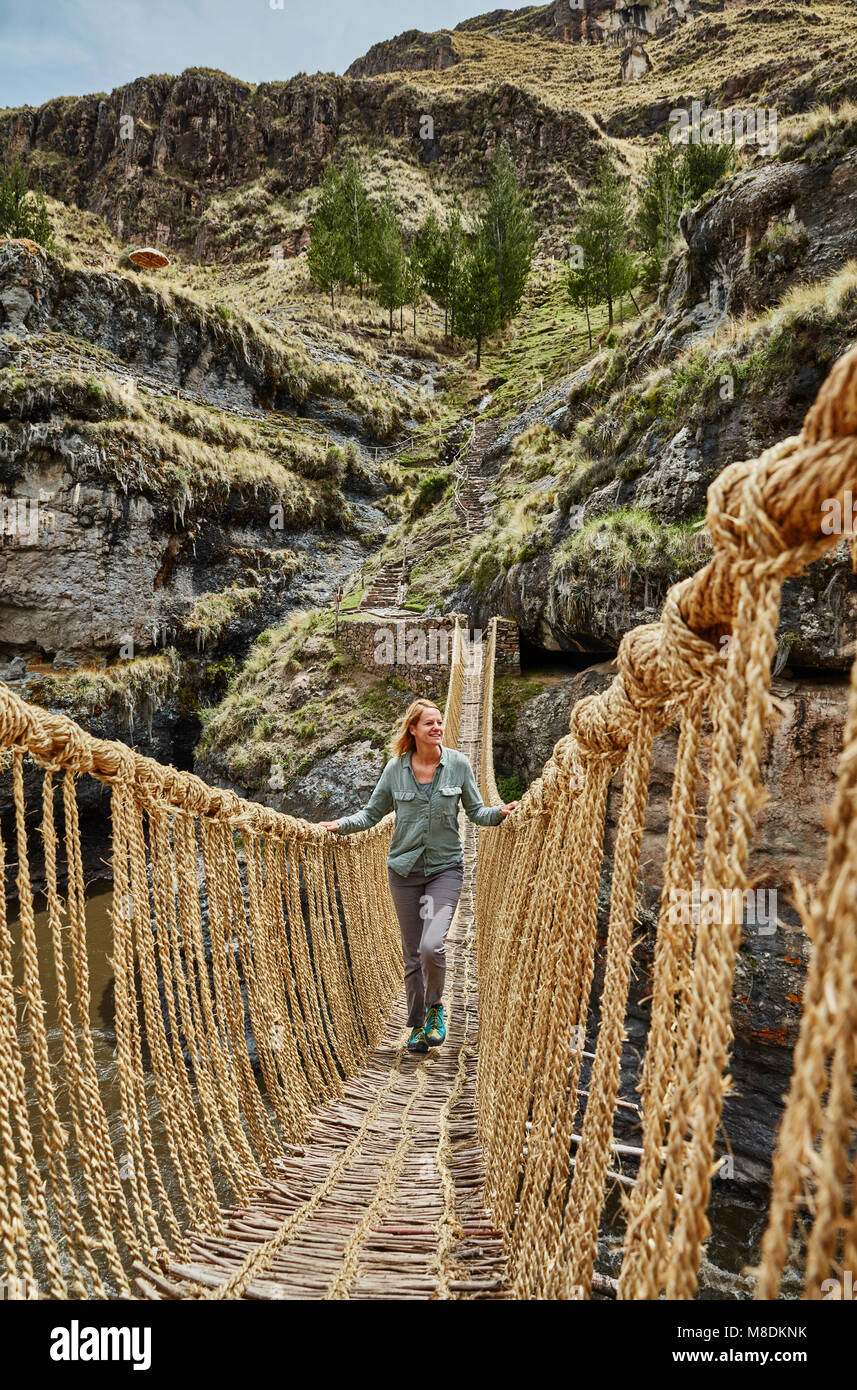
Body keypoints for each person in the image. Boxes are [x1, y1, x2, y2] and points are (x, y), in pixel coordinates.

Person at [321, 698, 518, 1053]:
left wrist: (500, 812)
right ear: (413, 729)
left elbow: (476, 812)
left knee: (431, 946)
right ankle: (415, 1026)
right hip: (404, 872)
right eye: (429, 723)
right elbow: (371, 815)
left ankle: (435, 1008)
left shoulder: (458, 764)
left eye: (440, 722)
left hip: (445, 870)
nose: (437, 728)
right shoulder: (395, 769)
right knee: (412, 954)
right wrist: (340, 825)